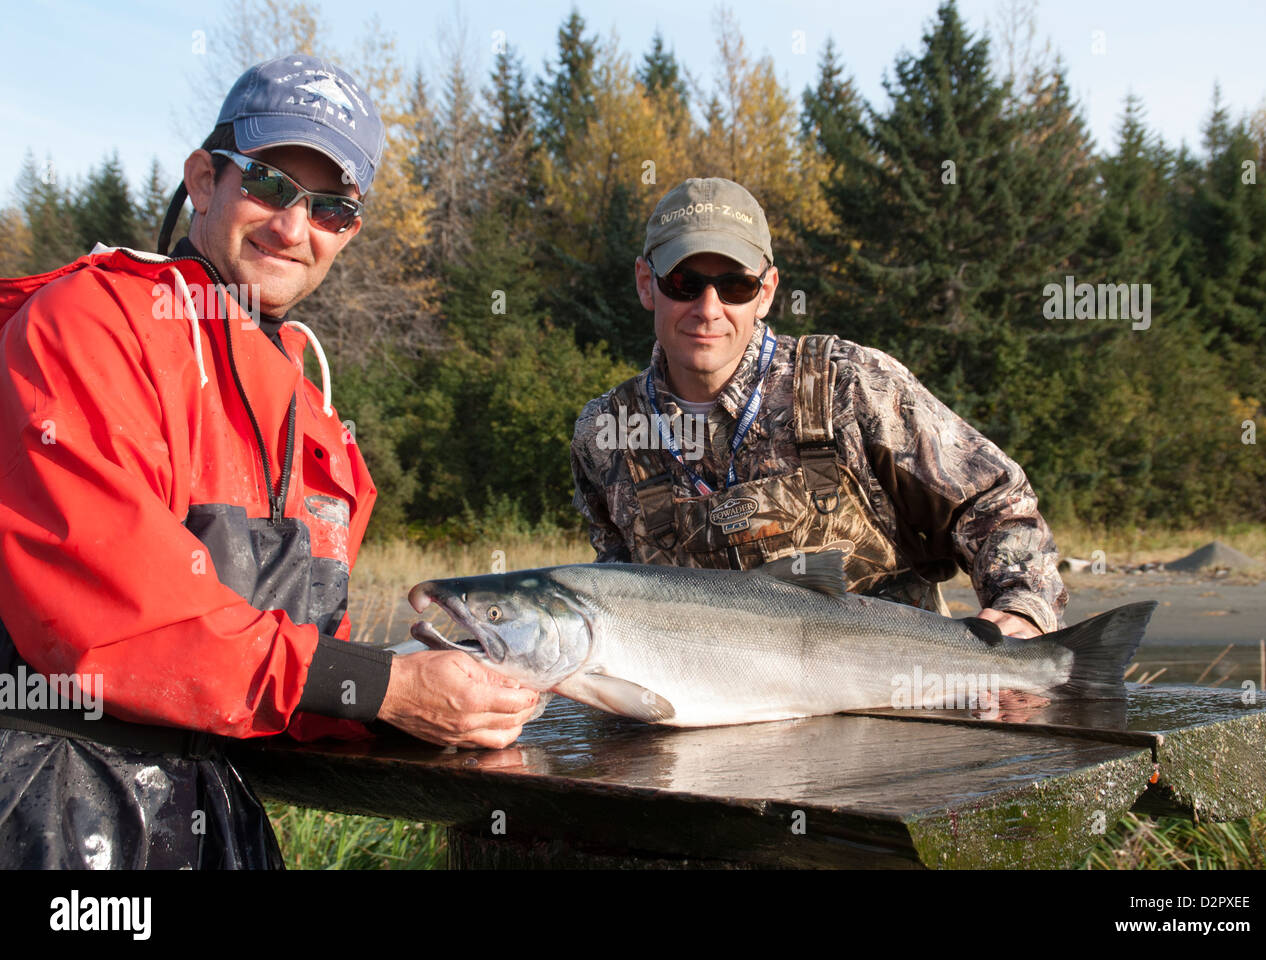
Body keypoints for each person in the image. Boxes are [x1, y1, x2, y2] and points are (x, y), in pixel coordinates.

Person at [0, 54, 537, 869]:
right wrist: (387, 688)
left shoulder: (315, 422)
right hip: (46, 807)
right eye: (270, 184)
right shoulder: (85, 328)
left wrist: (408, 696)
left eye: (331, 208)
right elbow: (117, 623)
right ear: (204, 180)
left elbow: (290, 664)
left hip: (217, 814)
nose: (295, 226)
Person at [570, 177, 1067, 639]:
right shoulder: (606, 432)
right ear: (644, 282)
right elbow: (618, 595)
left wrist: (1021, 607)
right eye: (684, 282)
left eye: (736, 286)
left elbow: (995, 504)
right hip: (703, 719)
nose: (708, 308)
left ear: (765, 292)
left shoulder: (847, 384)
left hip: (895, 708)